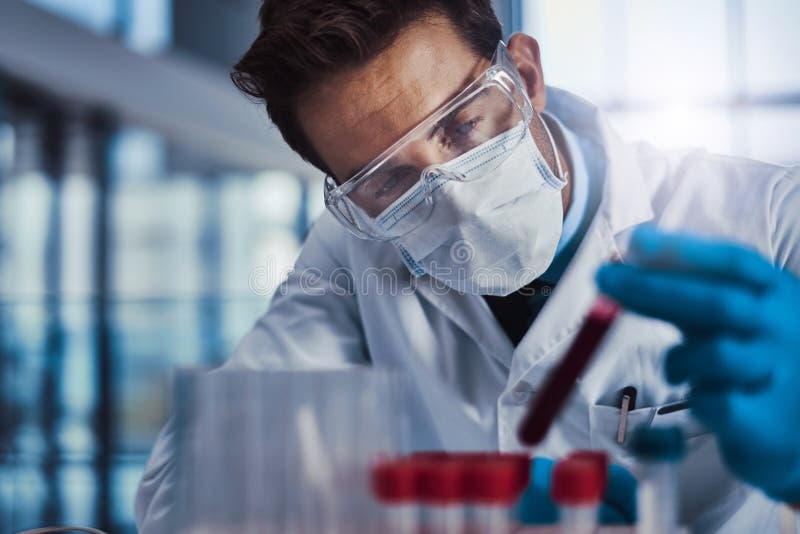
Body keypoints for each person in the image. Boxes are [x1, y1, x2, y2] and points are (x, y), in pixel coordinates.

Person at [135, 1, 800, 531]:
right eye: (389, 180)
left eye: (462, 126)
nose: (451, 193)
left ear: (526, 78)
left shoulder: (770, 218)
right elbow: (178, 499)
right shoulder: (356, 252)